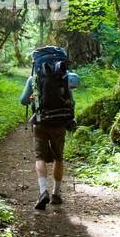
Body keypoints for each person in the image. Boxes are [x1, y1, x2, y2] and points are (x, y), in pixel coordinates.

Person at [19, 67, 80, 210]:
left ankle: (42, 192)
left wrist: (31, 99)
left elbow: (23, 101)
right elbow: (72, 102)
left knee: (40, 158)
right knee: (59, 158)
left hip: (41, 122)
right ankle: (56, 194)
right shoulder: (64, 77)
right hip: (60, 124)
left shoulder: (33, 79)